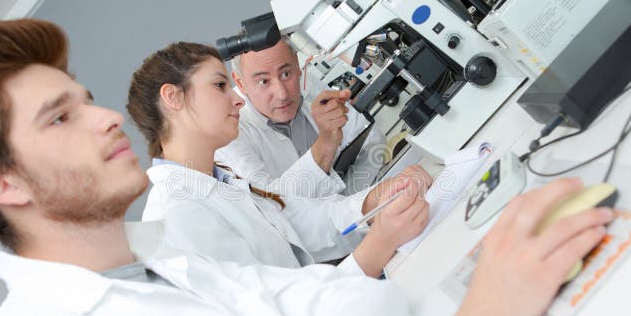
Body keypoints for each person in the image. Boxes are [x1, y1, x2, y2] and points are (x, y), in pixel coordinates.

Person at [0, 19, 615, 316]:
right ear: (0, 184)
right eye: (59, 117)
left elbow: (347, 299)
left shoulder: (169, 270)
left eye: (87, 101)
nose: (104, 119)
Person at [126, 41, 431, 276]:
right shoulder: (178, 214)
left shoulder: (220, 181)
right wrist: (379, 245)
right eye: (220, 86)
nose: (237, 99)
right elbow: (275, 312)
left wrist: (370, 202)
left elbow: (295, 222)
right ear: (173, 97)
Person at [217, 38, 386, 197]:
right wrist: (326, 143)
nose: (282, 94)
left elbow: (372, 140)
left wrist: (358, 203)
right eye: (263, 82)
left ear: (297, 65)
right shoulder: (229, 131)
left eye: (285, 74)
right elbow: (273, 205)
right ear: (240, 83)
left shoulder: (305, 81)